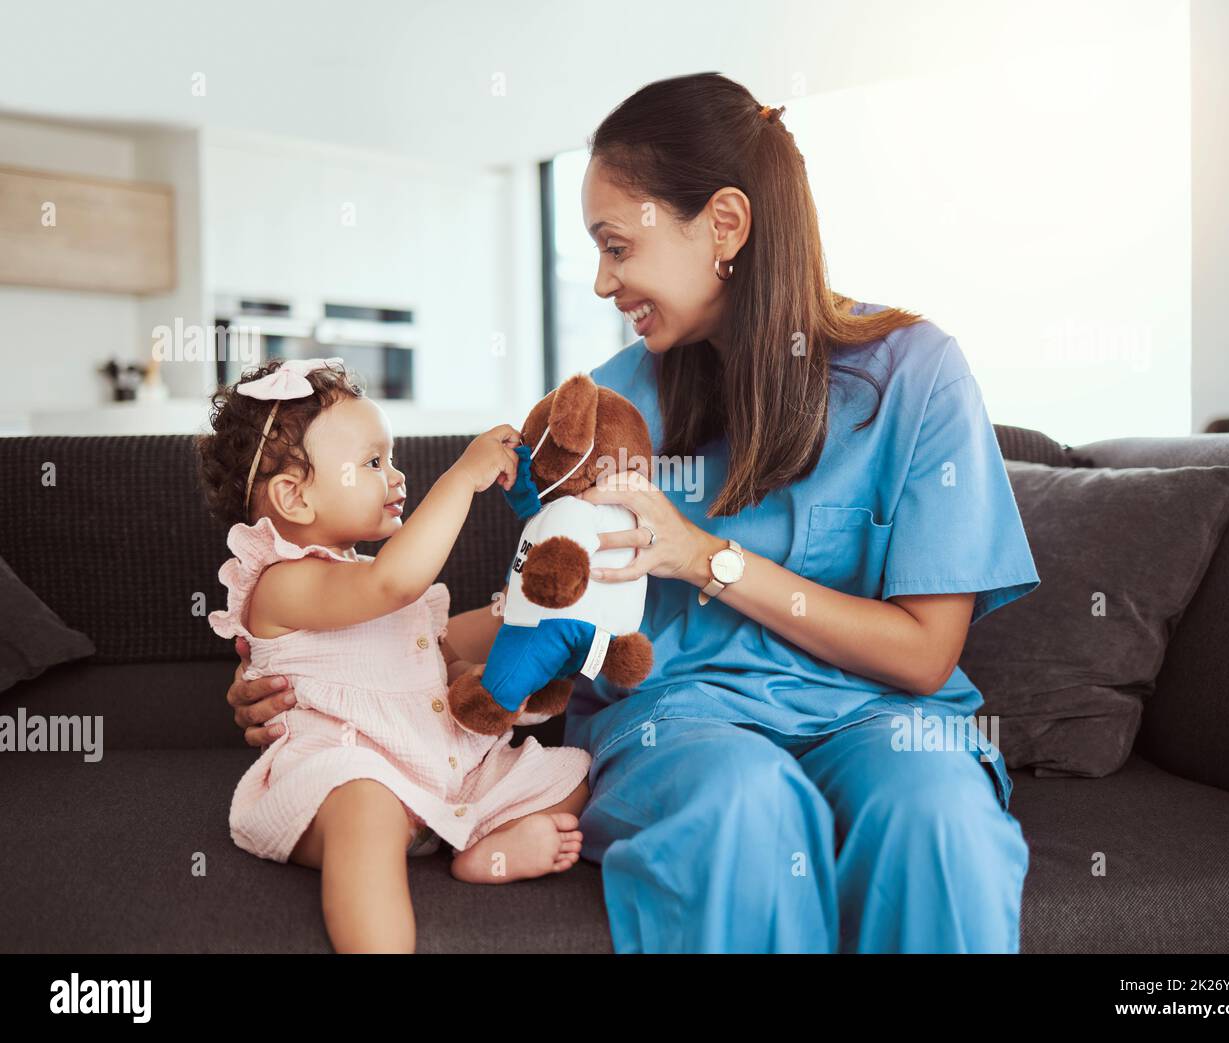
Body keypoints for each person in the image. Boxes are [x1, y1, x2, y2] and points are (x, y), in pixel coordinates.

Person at [227, 71, 1041, 953]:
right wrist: (319, 676)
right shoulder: (598, 415)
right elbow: (536, 623)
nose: (602, 283)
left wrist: (704, 558)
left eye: (617, 247)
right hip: (682, 722)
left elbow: (924, 655)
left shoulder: (915, 376)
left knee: (938, 814)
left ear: (723, 225)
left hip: (876, 714)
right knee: (743, 808)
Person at [198, 357, 590, 953]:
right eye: (374, 463)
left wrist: (521, 612)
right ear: (294, 498)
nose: (397, 476)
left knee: (570, 774)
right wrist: (461, 477)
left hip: (441, 768)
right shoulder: (283, 583)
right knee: (365, 810)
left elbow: (439, 647)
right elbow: (395, 583)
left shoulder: (368, 575)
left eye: (392, 459)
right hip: (347, 772)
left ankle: (490, 849)